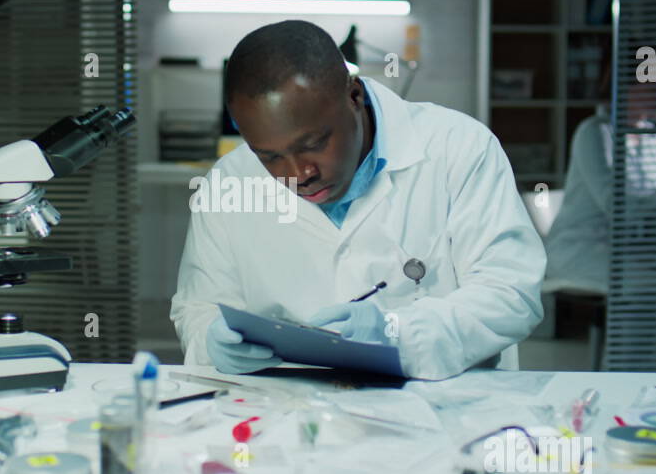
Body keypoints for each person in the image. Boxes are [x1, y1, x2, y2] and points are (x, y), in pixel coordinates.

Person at [169, 20, 545, 380]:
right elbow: (198, 307)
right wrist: (211, 341)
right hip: (289, 412)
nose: (299, 174)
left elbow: (510, 295)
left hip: (442, 408)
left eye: (314, 144)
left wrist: (398, 332)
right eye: (270, 156)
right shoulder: (229, 181)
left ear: (354, 95)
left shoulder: (458, 148)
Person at [545, 83, 656, 294]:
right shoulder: (595, 131)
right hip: (583, 250)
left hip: (629, 248)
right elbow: (616, 205)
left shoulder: (651, 136)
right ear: (629, 88)